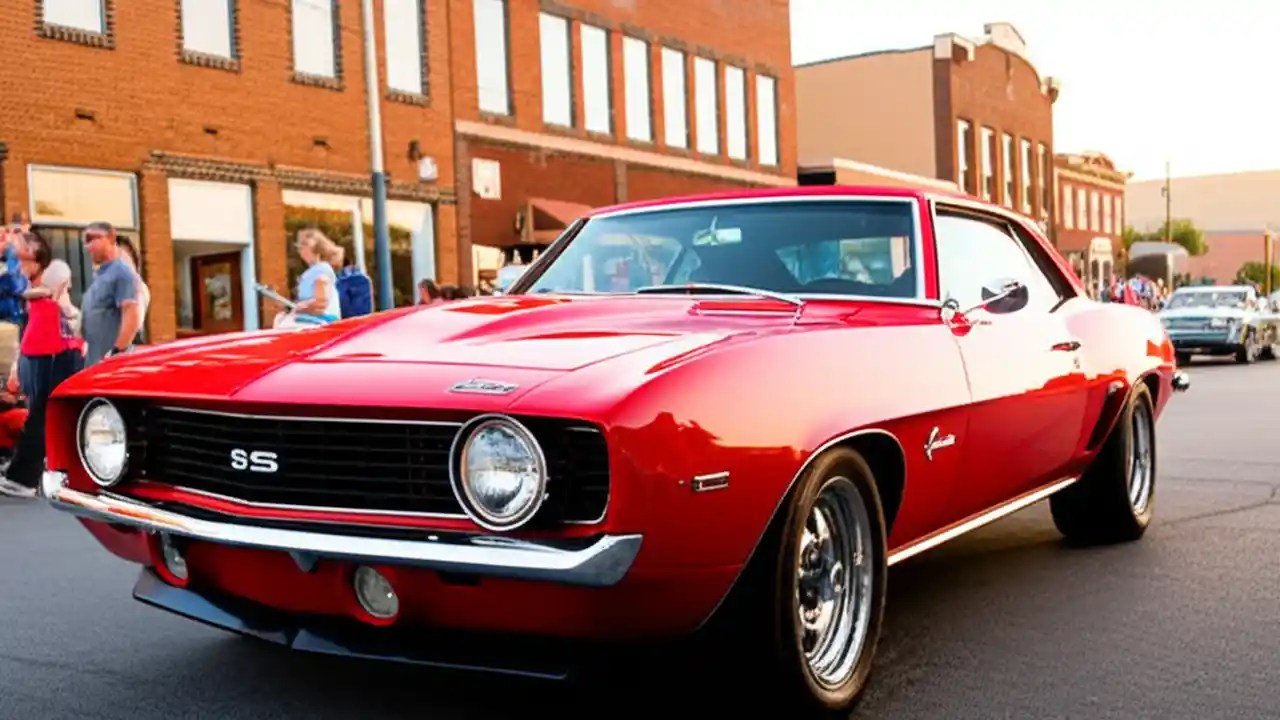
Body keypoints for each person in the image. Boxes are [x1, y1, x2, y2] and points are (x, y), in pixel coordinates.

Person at [0, 241, 84, 497]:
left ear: (39, 253)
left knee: (41, 415)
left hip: (57, 354)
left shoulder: (54, 269)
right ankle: (32, 472)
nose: (20, 245)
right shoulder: (24, 277)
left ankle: (23, 478)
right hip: (38, 354)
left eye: (27, 242)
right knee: (40, 414)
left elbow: (36, 292)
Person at [79, 222, 141, 367]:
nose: (88, 246)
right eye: (86, 241)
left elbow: (131, 313)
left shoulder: (121, 272)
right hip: (94, 362)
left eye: (93, 239)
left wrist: (117, 352)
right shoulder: (99, 276)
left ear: (111, 238)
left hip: (110, 366)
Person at [286, 228, 343, 326]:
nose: (300, 250)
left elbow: (321, 304)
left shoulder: (322, 270)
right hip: (311, 320)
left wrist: (300, 307)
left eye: (304, 245)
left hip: (322, 321)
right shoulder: (312, 272)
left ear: (317, 249)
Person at [334, 249, 373, 318]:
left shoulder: (340, 280)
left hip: (347, 319)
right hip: (365, 318)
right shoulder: (364, 278)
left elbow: (342, 302)